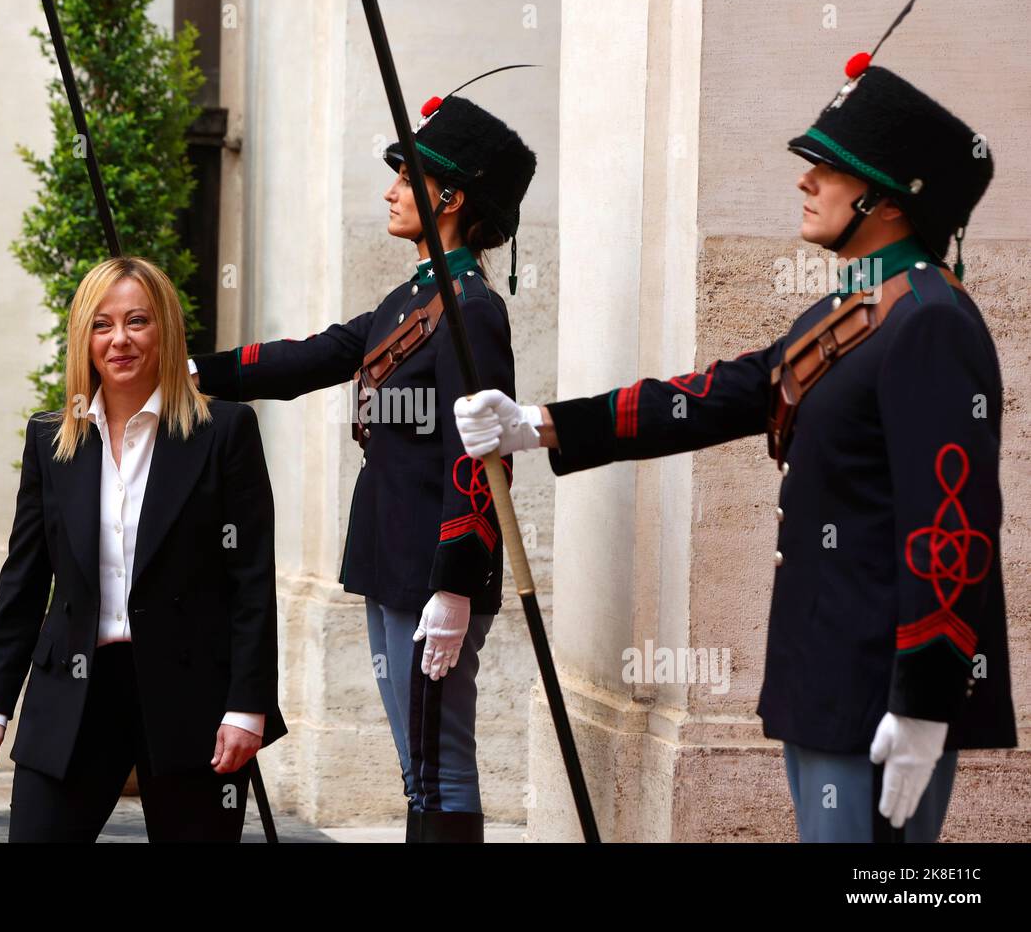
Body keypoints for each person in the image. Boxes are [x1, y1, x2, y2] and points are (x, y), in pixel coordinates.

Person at [455, 57, 1016, 842]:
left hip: (879, 688)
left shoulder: (929, 322)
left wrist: (925, 699)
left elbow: (953, 525)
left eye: (828, 168)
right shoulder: (854, 309)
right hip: (826, 677)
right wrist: (541, 422)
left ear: (886, 198)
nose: (805, 182)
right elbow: (719, 395)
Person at [188, 91, 535, 841]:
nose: (390, 190)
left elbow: (477, 458)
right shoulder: (408, 298)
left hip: (429, 566)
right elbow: (307, 358)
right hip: (387, 552)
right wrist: (192, 371)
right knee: (417, 764)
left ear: (450, 197)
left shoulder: (472, 308)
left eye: (405, 177)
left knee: (438, 763)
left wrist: (454, 586)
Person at [0, 255, 287, 842]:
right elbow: (24, 580)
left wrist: (248, 707)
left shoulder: (225, 433)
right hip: (72, 692)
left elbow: (252, 584)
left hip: (190, 696)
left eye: (137, 321)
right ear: (82, 337)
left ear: (166, 330)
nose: (119, 340)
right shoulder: (50, 439)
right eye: (101, 324)